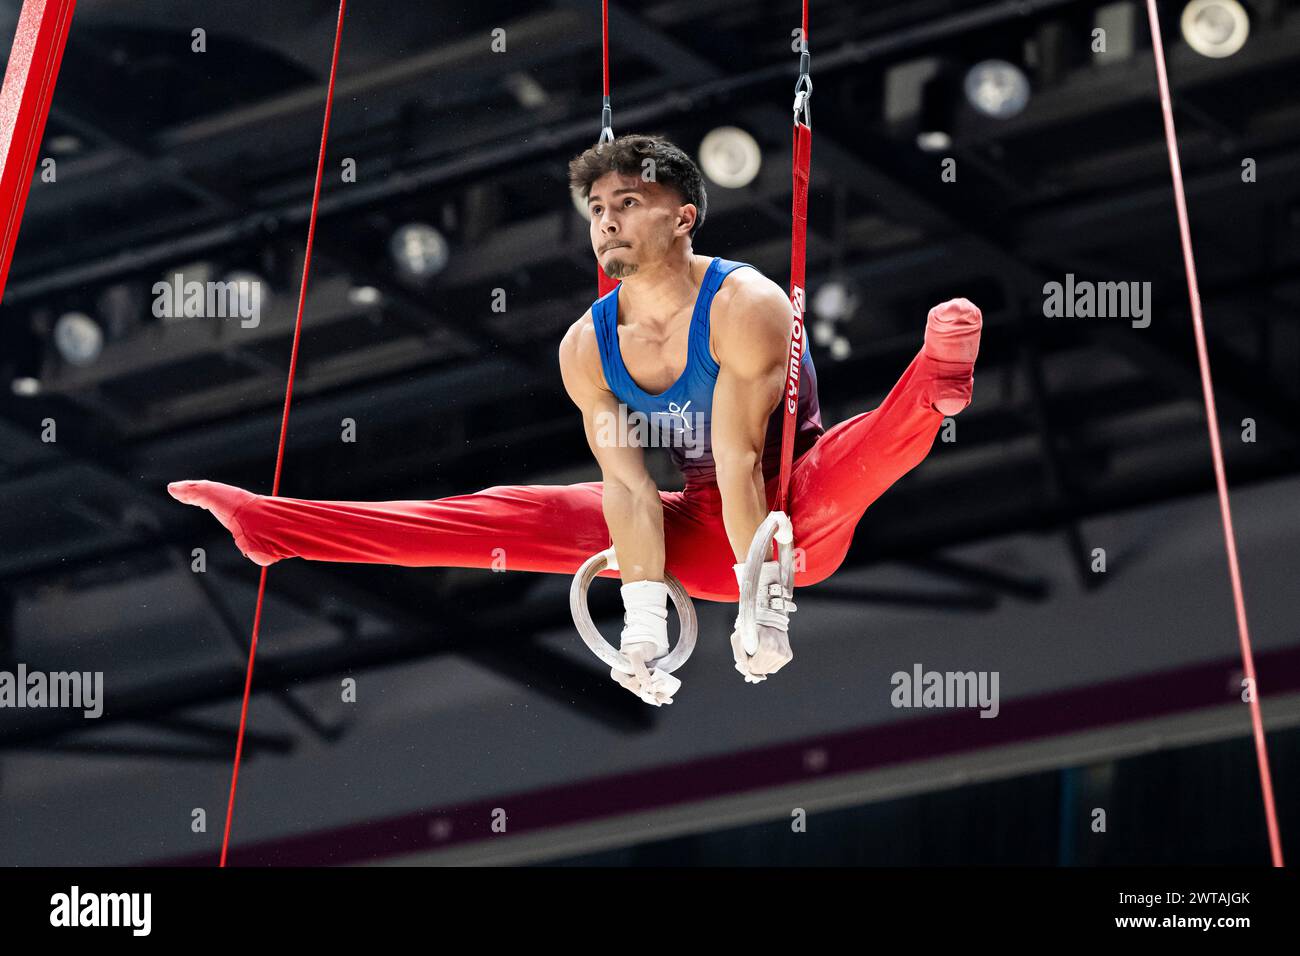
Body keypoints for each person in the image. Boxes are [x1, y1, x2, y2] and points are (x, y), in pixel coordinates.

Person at [168, 133, 981, 705]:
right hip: (694, 528)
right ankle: (277, 527)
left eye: (629, 202)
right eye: (596, 208)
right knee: (514, 515)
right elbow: (629, 490)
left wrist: (762, 604)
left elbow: (741, 462)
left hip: (786, 514)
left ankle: (933, 381)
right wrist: (641, 626)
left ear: (683, 217)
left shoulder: (746, 304)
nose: (607, 221)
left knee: (850, 462)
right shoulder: (586, 348)